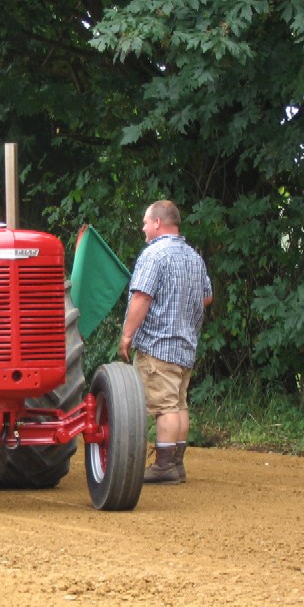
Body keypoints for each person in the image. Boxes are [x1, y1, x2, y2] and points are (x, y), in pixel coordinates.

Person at [119, 200, 213, 484]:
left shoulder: (154, 255)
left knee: (164, 408)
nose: (143, 227)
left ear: (158, 222)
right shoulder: (193, 257)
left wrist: (126, 335)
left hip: (158, 345)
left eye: (146, 222)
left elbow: (142, 297)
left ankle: (163, 467)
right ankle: (177, 463)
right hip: (185, 345)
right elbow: (207, 296)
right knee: (179, 404)